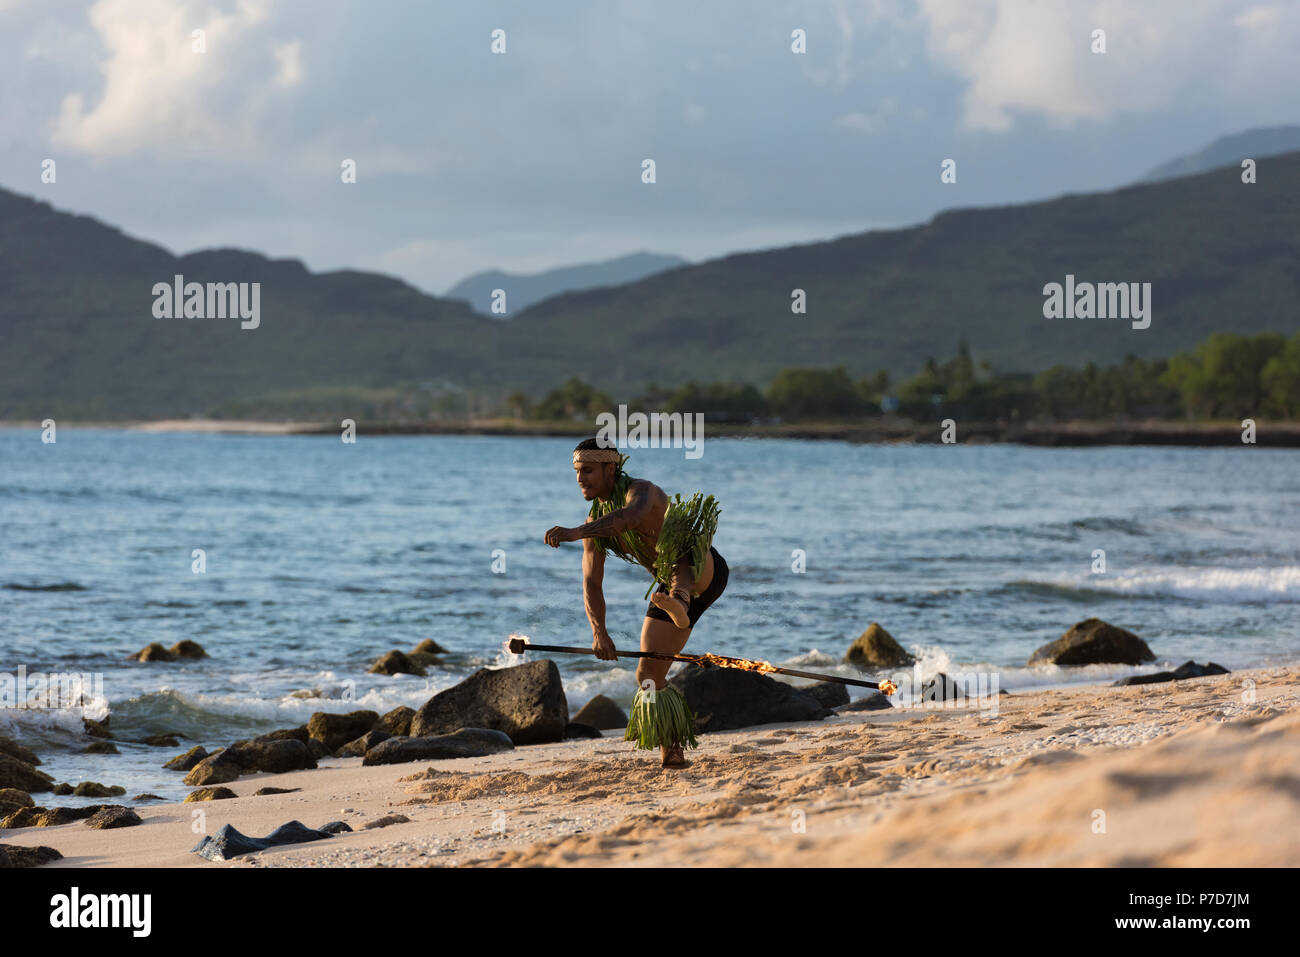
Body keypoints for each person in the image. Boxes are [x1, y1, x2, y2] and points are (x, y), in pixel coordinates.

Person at [544, 438, 727, 768]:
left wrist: (574, 532)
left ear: (610, 468)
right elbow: (591, 583)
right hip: (665, 593)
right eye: (576, 471)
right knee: (646, 673)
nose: (579, 478)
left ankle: (681, 606)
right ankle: (672, 751)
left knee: (678, 559)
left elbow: (628, 518)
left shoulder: (642, 492)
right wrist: (599, 632)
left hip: (704, 570)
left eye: (587, 470)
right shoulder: (594, 521)